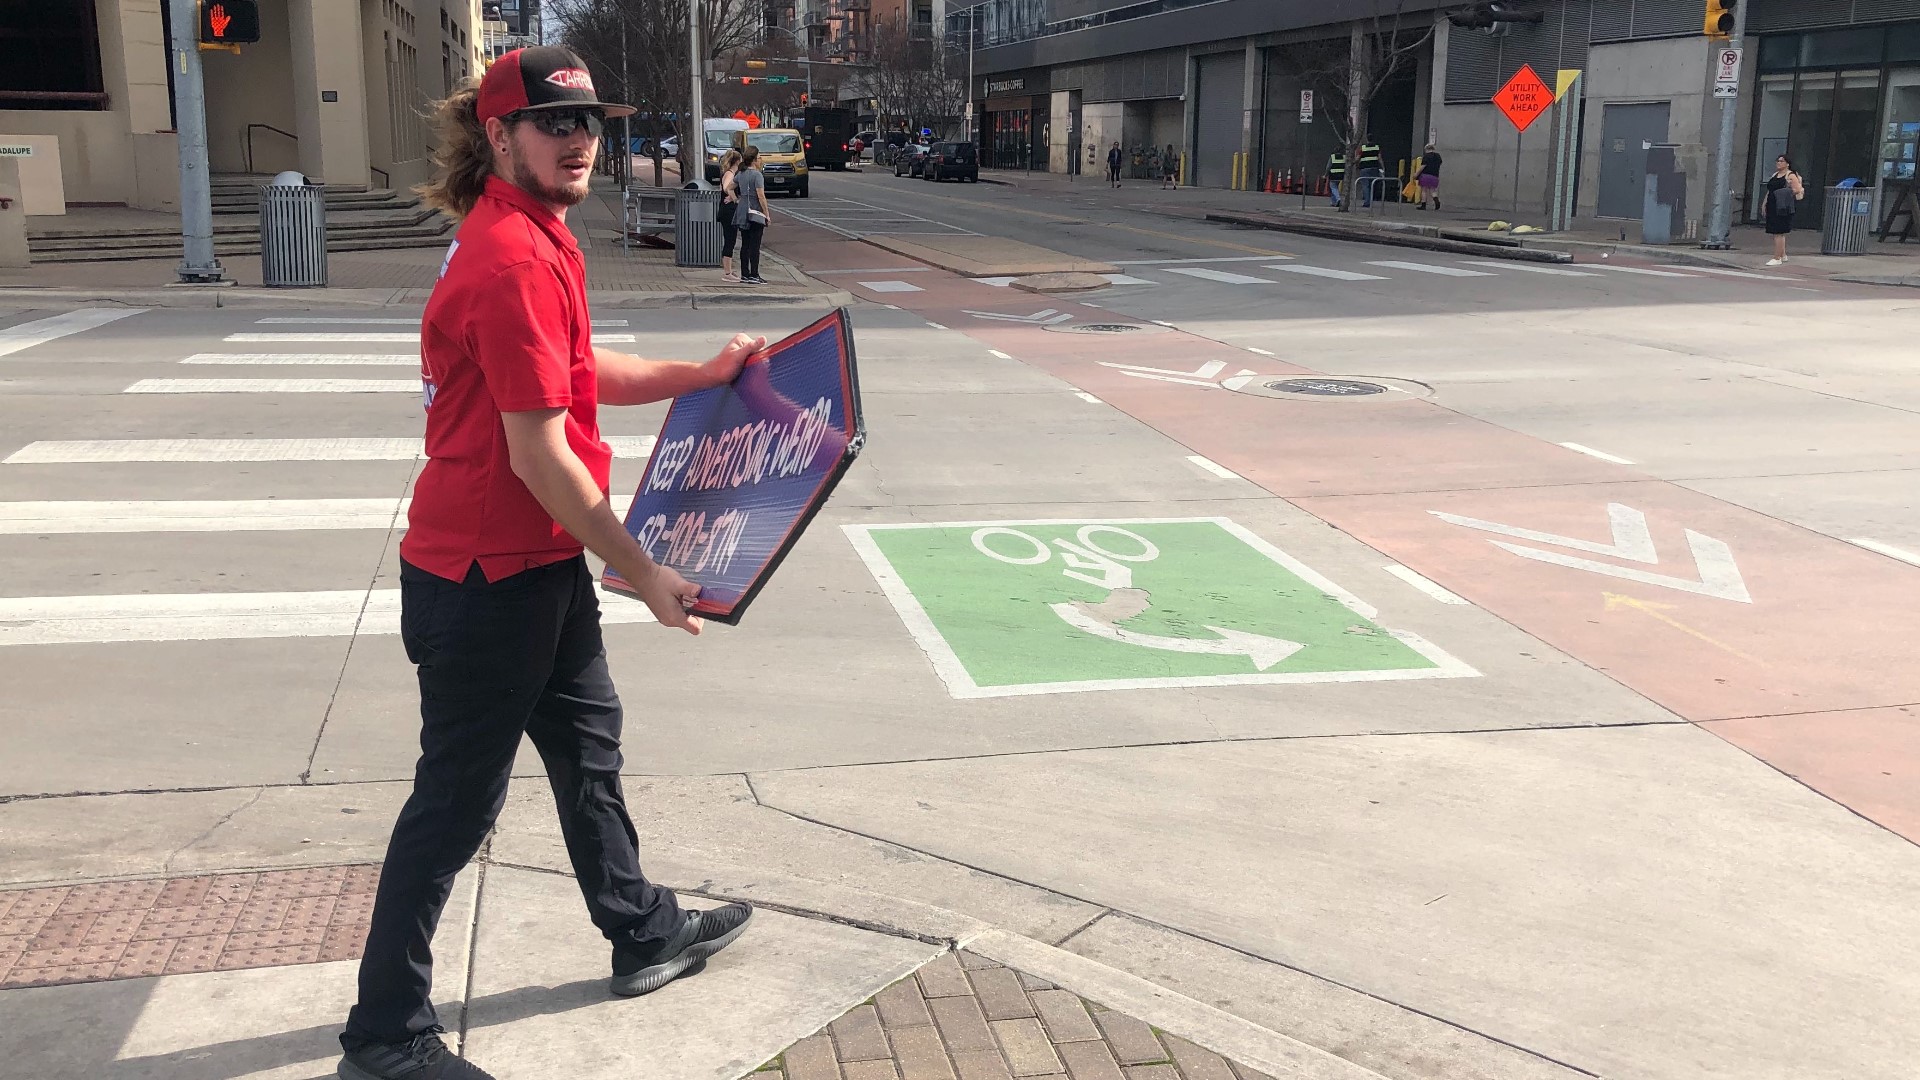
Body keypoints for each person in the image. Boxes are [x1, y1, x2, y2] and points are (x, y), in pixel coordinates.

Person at [336, 46, 759, 1080]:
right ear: (497, 136)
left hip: (535, 568)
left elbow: (578, 374)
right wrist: (645, 567)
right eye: (552, 123)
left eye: (587, 123)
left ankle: (641, 928)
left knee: (587, 749)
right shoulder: (512, 256)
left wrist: (695, 376)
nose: (578, 141)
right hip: (484, 576)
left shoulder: (536, 234)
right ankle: (384, 1036)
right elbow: (540, 454)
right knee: (455, 805)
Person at [733, 145, 770, 285]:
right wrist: (767, 214)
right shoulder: (757, 175)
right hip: (755, 211)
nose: (761, 160)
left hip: (742, 210)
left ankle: (745, 274)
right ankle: (754, 274)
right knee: (755, 244)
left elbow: (729, 187)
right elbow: (761, 196)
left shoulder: (741, 173)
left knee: (745, 244)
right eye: (759, 157)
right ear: (754, 160)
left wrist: (736, 199)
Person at [1764, 153, 1805, 266]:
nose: (1778, 163)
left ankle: (1777, 257)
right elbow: (1769, 191)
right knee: (1776, 231)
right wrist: (1765, 203)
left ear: (1787, 163)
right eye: (1777, 161)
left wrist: (1784, 193)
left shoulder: (1790, 175)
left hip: (1783, 206)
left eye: (1781, 161)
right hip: (1772, 204)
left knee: (1779, 232)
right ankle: (1782, 255)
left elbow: (1797, 189)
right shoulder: (1775, 175)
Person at [717, 148, 743, 282]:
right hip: (728, 212)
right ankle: (727, 273)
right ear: (737, 161)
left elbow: (722, 188)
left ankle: (729, 270)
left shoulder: (728, 173)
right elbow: (727, 187)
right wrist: (734, 198)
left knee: (730, 240)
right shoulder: (730, 174)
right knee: (730, 240)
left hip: (726, 210)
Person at [1356, 135, 1383, 208]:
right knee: (1372, 185)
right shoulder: (1377, 147)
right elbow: (1379, 158)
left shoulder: (1363, 148)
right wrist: (1383, 167)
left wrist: (1355, 164)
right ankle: (1370, 200)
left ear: (1367, 139)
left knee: (1365, 185)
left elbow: (1358, 158)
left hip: (1364, 168)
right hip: (1374, 168)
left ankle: (1367, 202)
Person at [1416, 143, 1442, 211]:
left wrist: (1416, 174)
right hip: (1435, 176)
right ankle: (1436, 201)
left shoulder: (1426, 156)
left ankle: (1423, 205)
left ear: (1426, 149)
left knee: (1424, 190)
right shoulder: (1438, 156)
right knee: (1432, 190)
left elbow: (1423, 166)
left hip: (1425, 175)